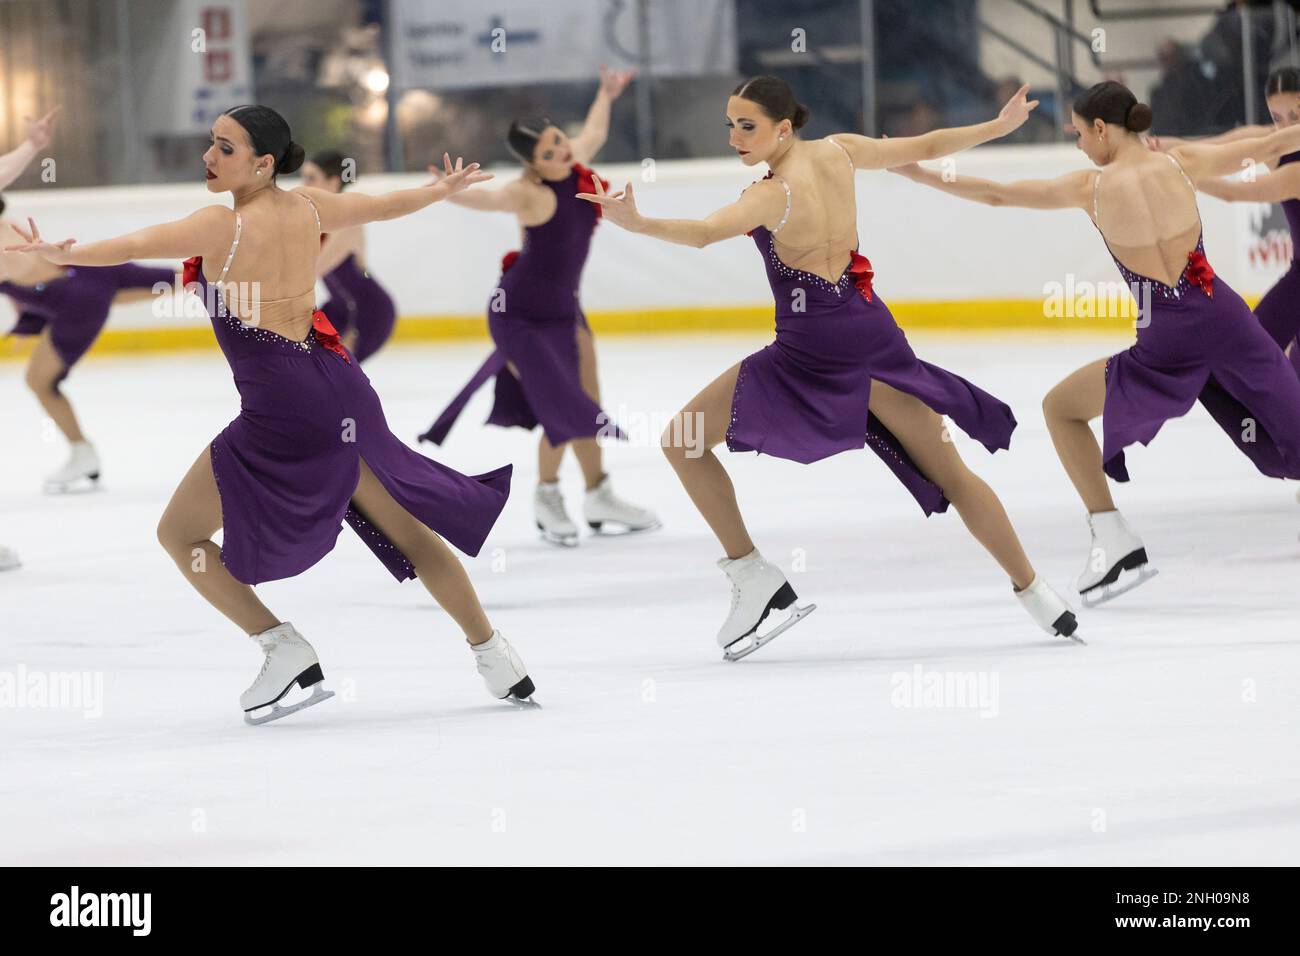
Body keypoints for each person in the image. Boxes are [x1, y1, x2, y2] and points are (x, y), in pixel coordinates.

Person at [7, 105, 535, 722]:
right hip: (339, 384)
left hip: (284, 404)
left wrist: (63, 254)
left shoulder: (218, 225)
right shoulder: (312, 206)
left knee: (179, 535)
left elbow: (130, 247)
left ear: (262, 162)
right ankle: (495, 654)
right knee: (409, 529)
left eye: (225, 148)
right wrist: (438, 190)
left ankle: (281, 647)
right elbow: (386, 207)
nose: (209, 156)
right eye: (211, 142)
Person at [579, 75, 1080, 657]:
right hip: (870, 331)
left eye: (749, 126)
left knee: (682, 441)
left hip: (811, 352)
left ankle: (752, 577)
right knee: (952, 473)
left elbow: (705, 233)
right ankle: (1037, 591)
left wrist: (637, 225)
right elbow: (921, 146)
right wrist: (996, 127)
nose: (736, 137)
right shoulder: (841, 151)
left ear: (783, 128)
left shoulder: (772, 193)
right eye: (730, 125)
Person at [892, 80, 1300, 605]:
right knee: (1287, 454)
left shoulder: (1091, 188)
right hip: (1227, 323)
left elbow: (997, 195)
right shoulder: (1182, 163)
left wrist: (919, 174)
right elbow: (1270, 145)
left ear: (1103, 129)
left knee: (1061, 409)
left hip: (1167, 342)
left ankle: (1113, 537)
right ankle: (1113, 540)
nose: (1081, 146)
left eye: (1081, 134)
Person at [418, 68, 659, 547]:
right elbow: (488, 200)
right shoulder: (528, 193)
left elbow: (593, 132)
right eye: (548, 153)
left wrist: (605, 93)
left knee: (585, 401)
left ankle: (598, 494)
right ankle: (547, 497)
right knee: (563, 405)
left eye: (557, 141)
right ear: (532, 165)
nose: (561, 152)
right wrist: (449, 190)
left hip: (565, 310)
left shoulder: (577, 167)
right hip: (520, 315)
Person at [1, 192, 176, 492]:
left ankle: (83, 453)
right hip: (91, 271)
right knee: (180, 279)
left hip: (76, 301)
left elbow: (32, 282)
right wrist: (26, 322)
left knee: (39, 380)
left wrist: (29, 320)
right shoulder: (8, 225)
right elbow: (30, 281)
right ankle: (233, 279)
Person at [298, 150, 398, 362]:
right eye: (303, 177)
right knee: (307, 364)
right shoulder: (319, 220)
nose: (303, 185)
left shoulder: (347, 221)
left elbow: (312, 268)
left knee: (332, 376)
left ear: (333, 182)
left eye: (311, 178)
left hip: (367, 314)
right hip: (340, 309)